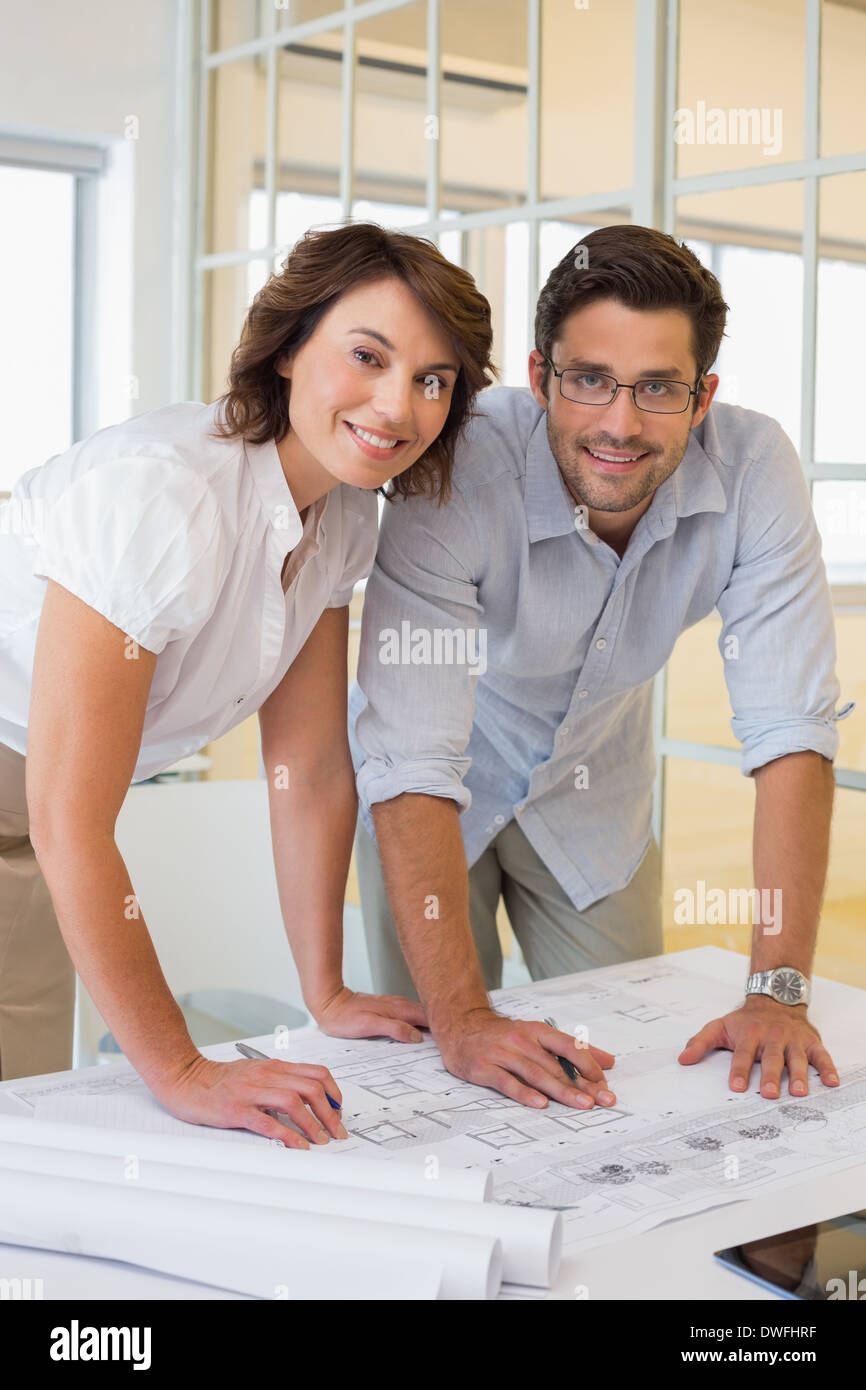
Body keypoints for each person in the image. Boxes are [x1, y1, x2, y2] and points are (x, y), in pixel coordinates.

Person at [0, 221, 495, 1148]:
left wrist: (326, 990)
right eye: (367, 355)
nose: (398, 404)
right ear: (286, 348)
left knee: (22, 1131)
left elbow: (305, 770)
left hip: (28, 820)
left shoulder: (342, 519)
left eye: (433, 379)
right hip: (40, 806)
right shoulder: (163, 495)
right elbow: (74, 819)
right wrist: (184, 1071)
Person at [349, 223, 848, 1116]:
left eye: (658, 387)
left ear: (703, 399)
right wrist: (463, 1018)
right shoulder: (457, 468)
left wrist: (777, 989)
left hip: (596, 792)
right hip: (430, 791)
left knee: (627, 1069)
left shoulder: (755, 469)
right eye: (589, 381)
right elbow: (413, 755)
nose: (621, 424)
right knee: (446, 1072)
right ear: (540, 379)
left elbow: (791, 733)